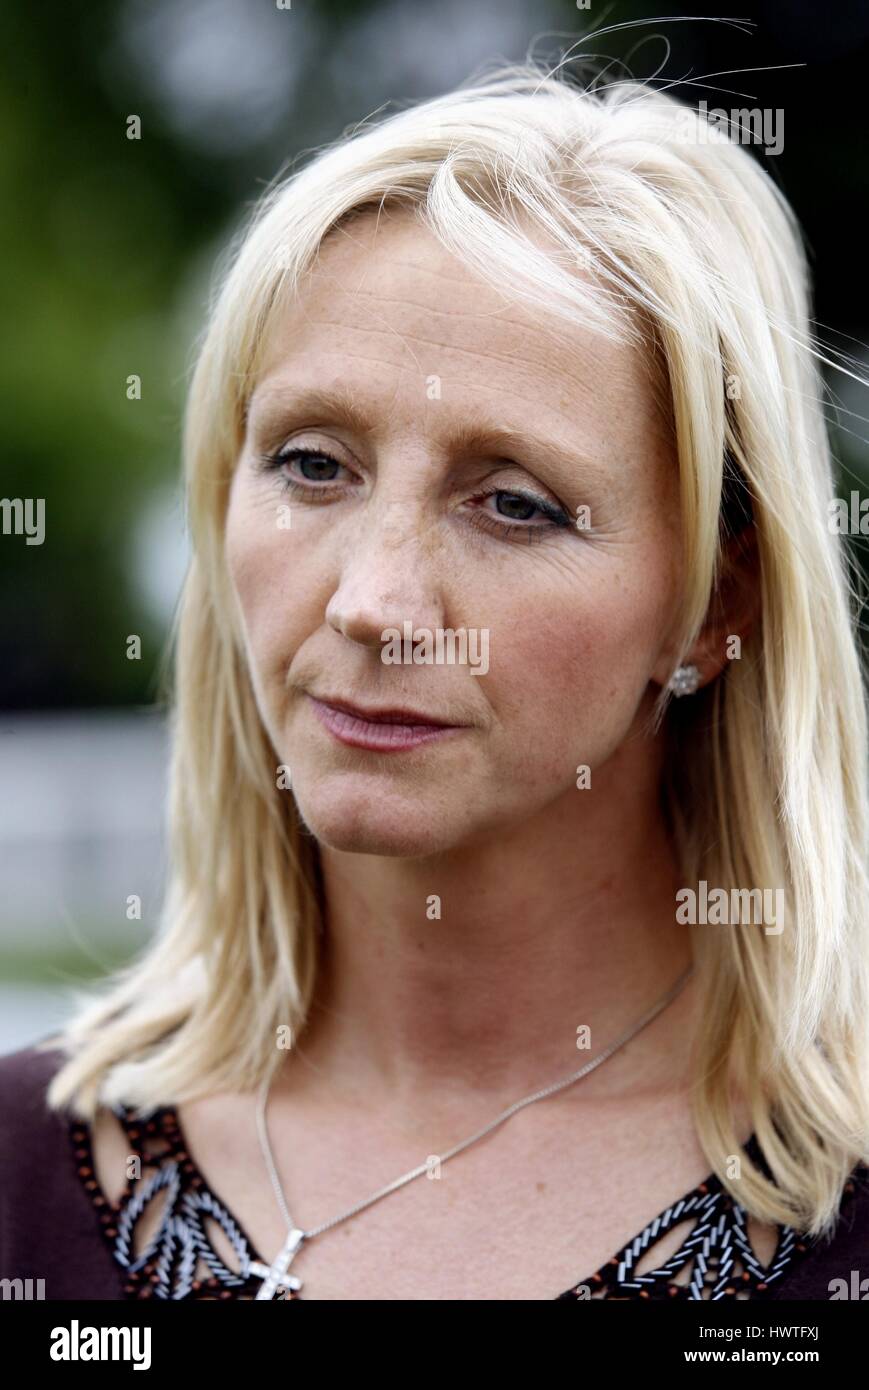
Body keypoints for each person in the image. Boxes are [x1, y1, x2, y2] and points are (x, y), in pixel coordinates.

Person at [2, 59, 868, 1302]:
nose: (371, 602)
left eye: (511, 504)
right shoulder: (24, 1174)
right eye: (311, 464)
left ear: (714, 606)